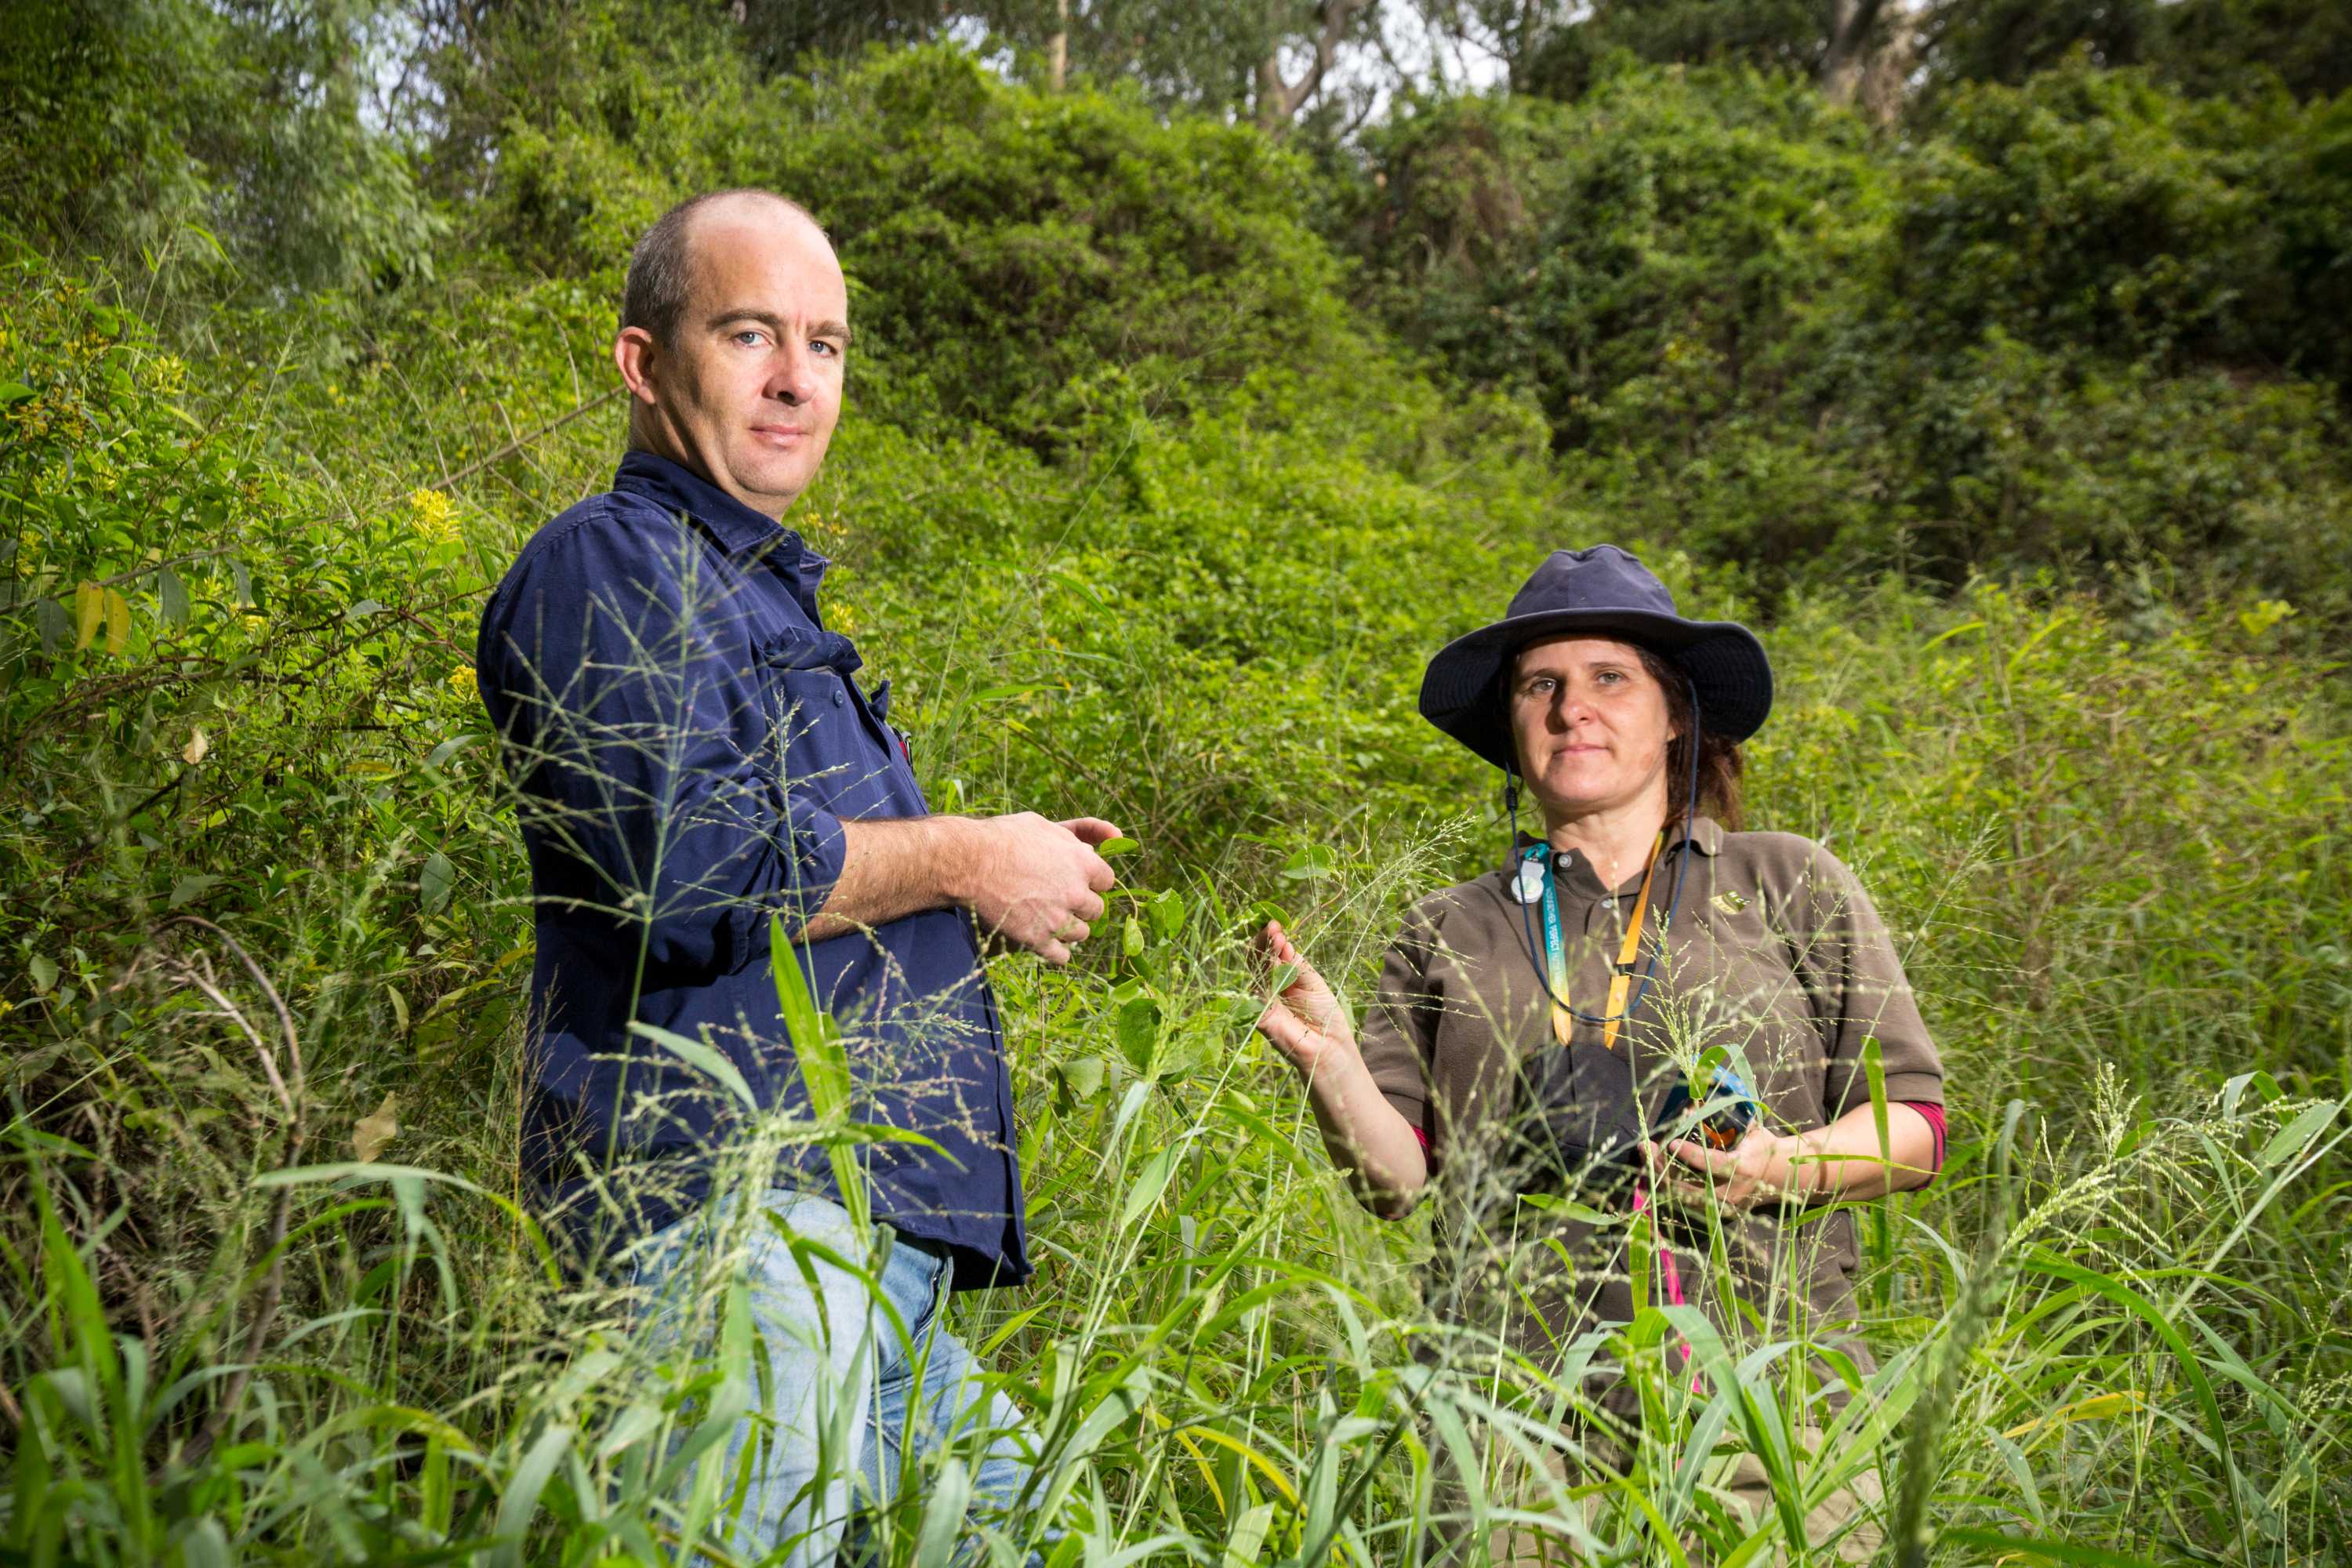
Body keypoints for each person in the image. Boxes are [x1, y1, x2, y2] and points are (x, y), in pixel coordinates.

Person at [476, 189, 1114, 1563]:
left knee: (1042, 1531)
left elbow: (793, 897)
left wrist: (980, 894)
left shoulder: (768, 597)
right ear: (645, 364)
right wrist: (962, 854)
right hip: (734, 1228)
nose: (792, 379)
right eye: (750, 332)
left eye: (823, 344)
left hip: (875, 1264)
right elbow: (678, 871)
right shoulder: (608, 561)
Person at [1252, 546, 1947, 1564]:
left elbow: (1916, 1130)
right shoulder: (1446, 928)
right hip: (1508, 1417)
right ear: (1513, 730)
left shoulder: (1791, 882)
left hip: (1771, 1398)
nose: (1573, 706)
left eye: (1608, 678)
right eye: (1542, 685)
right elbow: (1396, 1183)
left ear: (1676, 717)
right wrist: (1332, 1066)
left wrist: (1772, 1168)